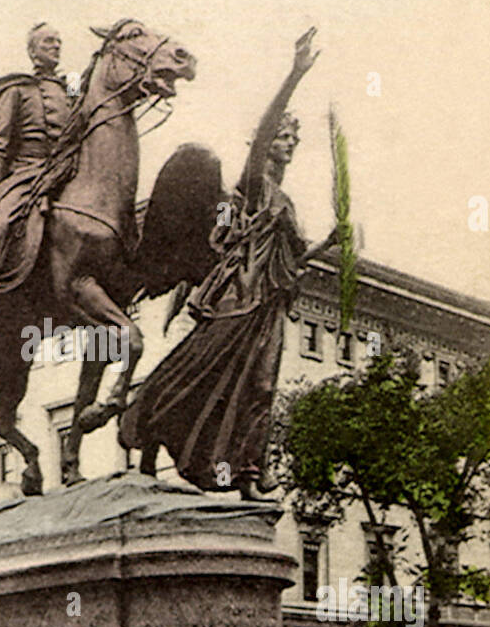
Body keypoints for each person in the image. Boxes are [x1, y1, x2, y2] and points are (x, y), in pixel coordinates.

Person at [120, 28, 336, 498]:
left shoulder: (288, 202)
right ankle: (148, 440)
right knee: (191, 372)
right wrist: (294, 75)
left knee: (260, 388)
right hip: (236, 300)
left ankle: (250, 477)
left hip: (268, 307)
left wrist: (329, 246)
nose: (288, 143)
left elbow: (294, 262)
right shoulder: (252, 186)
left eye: (292, 139)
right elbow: (260, 135)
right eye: (284, 136)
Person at [0, 23, 71, 336]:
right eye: (49, 41)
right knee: (5, 221)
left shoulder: (69, 92)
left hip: (63, 172)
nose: (56, 46)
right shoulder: (16, 90)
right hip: (24, 175)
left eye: (59, 42)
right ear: (33, 50)